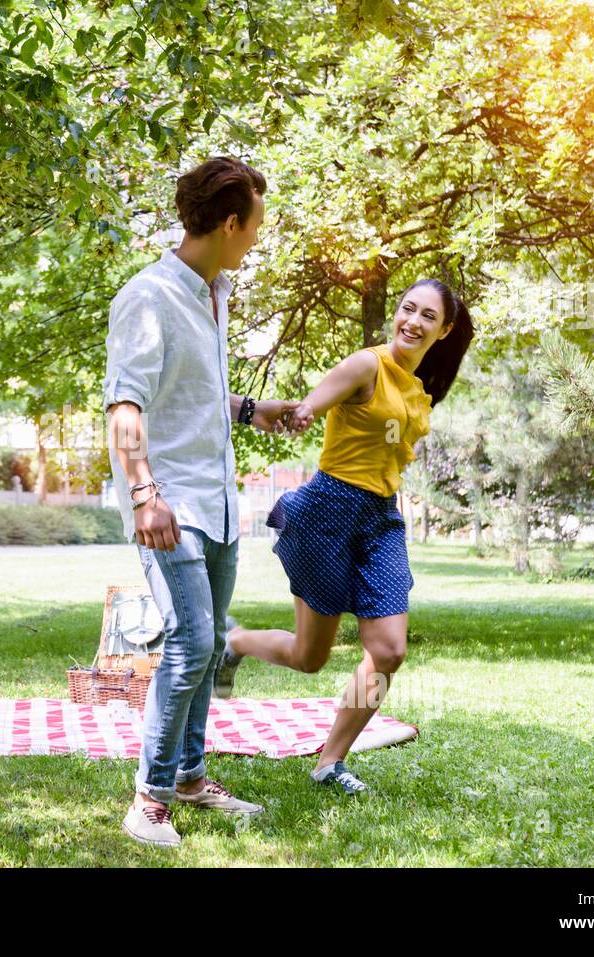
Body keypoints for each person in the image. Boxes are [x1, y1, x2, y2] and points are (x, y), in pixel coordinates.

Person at [104, 156, 300, 848]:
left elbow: (188, 394)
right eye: (255, 225)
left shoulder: (212, 293)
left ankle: (190, 774)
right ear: (228, 222)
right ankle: (149, 799)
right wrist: (145, 494)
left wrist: (254, 409)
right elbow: (126, 404)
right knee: (188, 642)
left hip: (214, 499)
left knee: (212, 641)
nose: (257, 238)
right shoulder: (148, 297)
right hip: (168, 503)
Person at [213, 278, 474, 795]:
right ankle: (234, 642)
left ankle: (329, 762)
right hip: (327, 512)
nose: (412, 321)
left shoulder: (420, 391)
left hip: (381, 520)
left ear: (443, 331)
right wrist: (306, 411)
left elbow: (391, 447)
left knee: (390, 650)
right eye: (407, 308)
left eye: (427, 316)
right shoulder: (367, 365)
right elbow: (317, 402)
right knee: (311, 659)